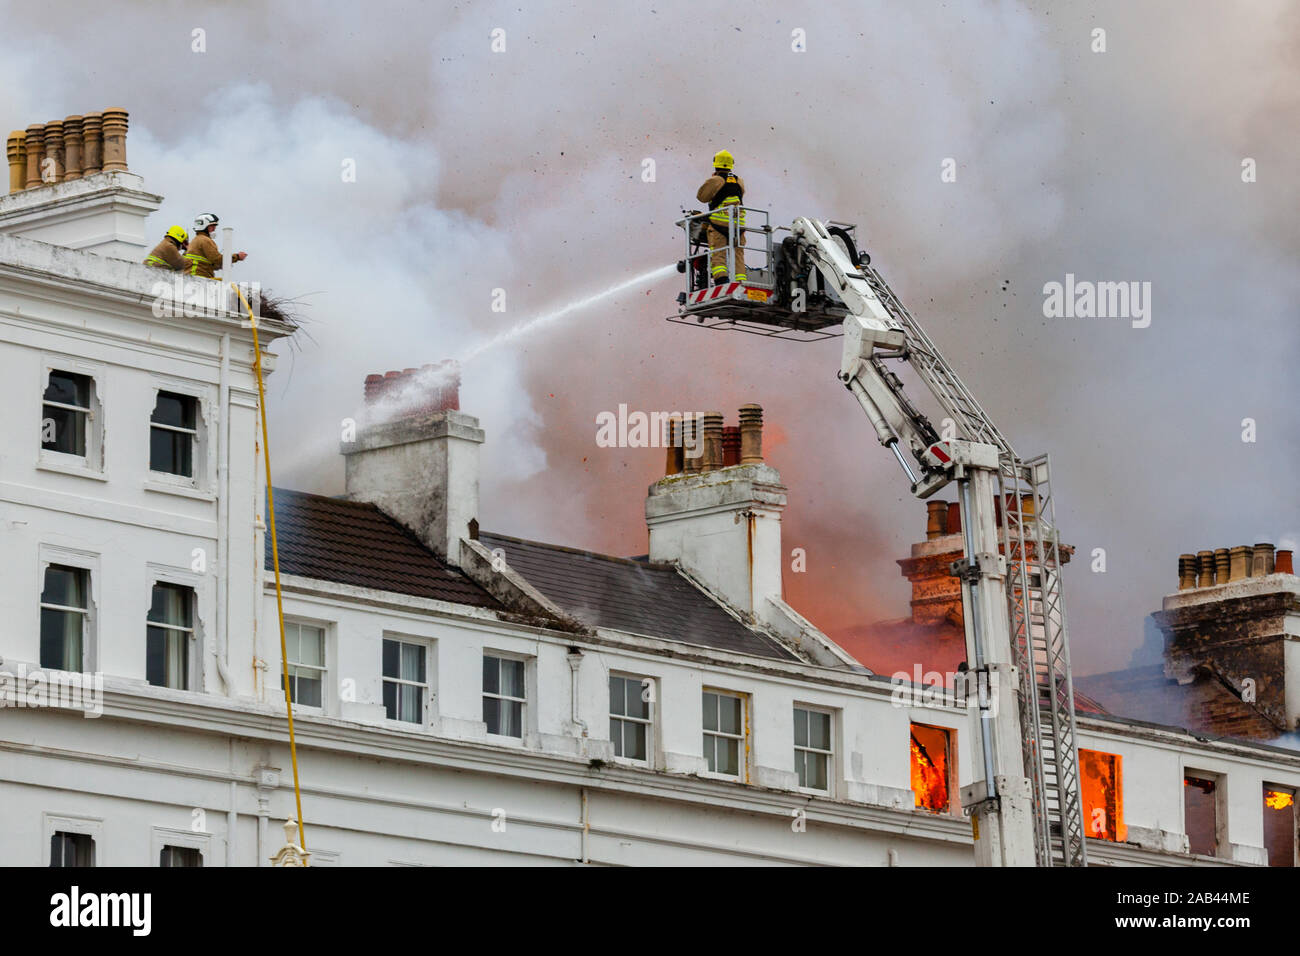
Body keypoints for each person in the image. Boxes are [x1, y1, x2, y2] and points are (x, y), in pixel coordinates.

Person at [695, 149, 746, 283]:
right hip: (738, 225)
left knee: (718, 252)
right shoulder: (739, 180)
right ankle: (741, 280)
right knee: (738, 254)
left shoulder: (716, 180)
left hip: (719, 224)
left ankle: (721, 280)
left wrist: (712, 180)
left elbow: (701, 197)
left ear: (716, 164)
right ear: (731, 165)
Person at [184, 213, 248, 279]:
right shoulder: (205, 240)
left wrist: (220, 265)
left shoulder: (195, 240)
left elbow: (209, 263)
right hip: (200, 278)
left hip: (193, 277)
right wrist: (237, 257)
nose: (214, 228)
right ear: (205, 226)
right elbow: (217, 259)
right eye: (213, 226)